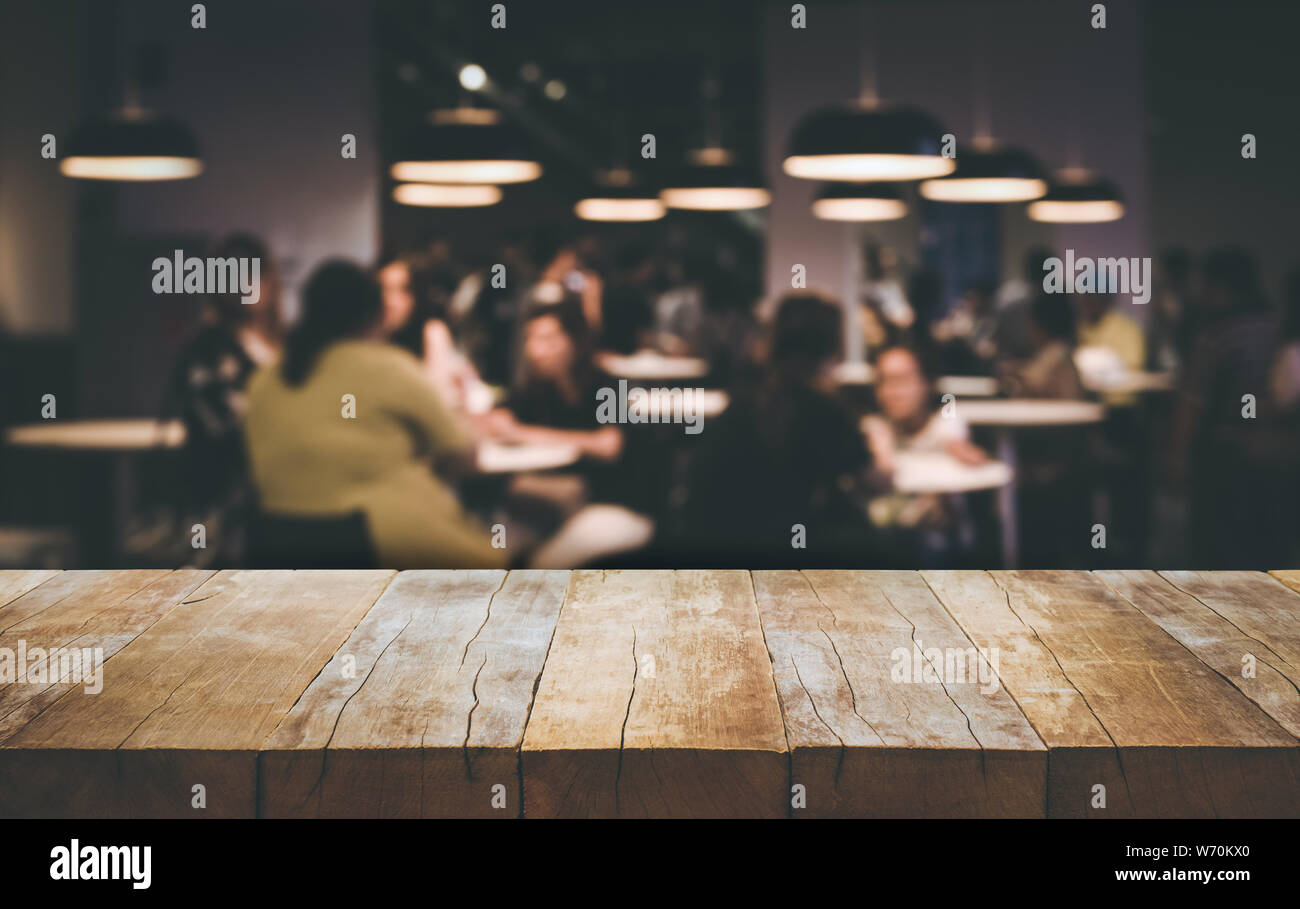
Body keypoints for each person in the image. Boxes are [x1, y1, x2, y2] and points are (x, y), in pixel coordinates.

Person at [243, 260, 503, 569]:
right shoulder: (388, 366)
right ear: (375, 315)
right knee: (501, 568)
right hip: (379, 536)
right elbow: (464, 455)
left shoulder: (264, 379)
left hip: (281, 543)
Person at [676, 292, 878, 566]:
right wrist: (880, 436)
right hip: (783, 555)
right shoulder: (821, 408)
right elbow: (872, 479)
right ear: (833, 345)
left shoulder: (746, 397)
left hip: (711, 548)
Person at [1171, 248, 1286, 566]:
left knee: (1216, 549)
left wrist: (1177, 460)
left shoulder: (1216, 336)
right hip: (1275, 454)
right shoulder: (1279, 329)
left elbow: (1191, 403)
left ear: (1221, 288)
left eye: (1206, 286)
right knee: (1266, 545)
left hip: (1223, 456)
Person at [163, 233, 283, 537]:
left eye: (254, 273)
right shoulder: (207, 348)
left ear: (270, 280)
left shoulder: (287, 344)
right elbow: (215, 425)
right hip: (225, 498)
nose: (245, 283)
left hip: (285, 489)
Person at [862, 345, 988, 563]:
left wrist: (958, 449)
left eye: (901, 380)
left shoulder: (944, 424)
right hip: (889, 537)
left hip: (945, 540)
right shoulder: (877, 428)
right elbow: (880, 478)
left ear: (925, 383)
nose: (892, 392)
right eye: (883, 381)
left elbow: (965, 451)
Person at [999, 293, 1084, 399]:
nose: (1027, 329)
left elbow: (1033, 380)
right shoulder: (1051, 349)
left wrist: (1012, 370)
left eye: (1030, 323)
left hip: (1064, 413)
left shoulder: (1057, 351)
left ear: (1041, 324)